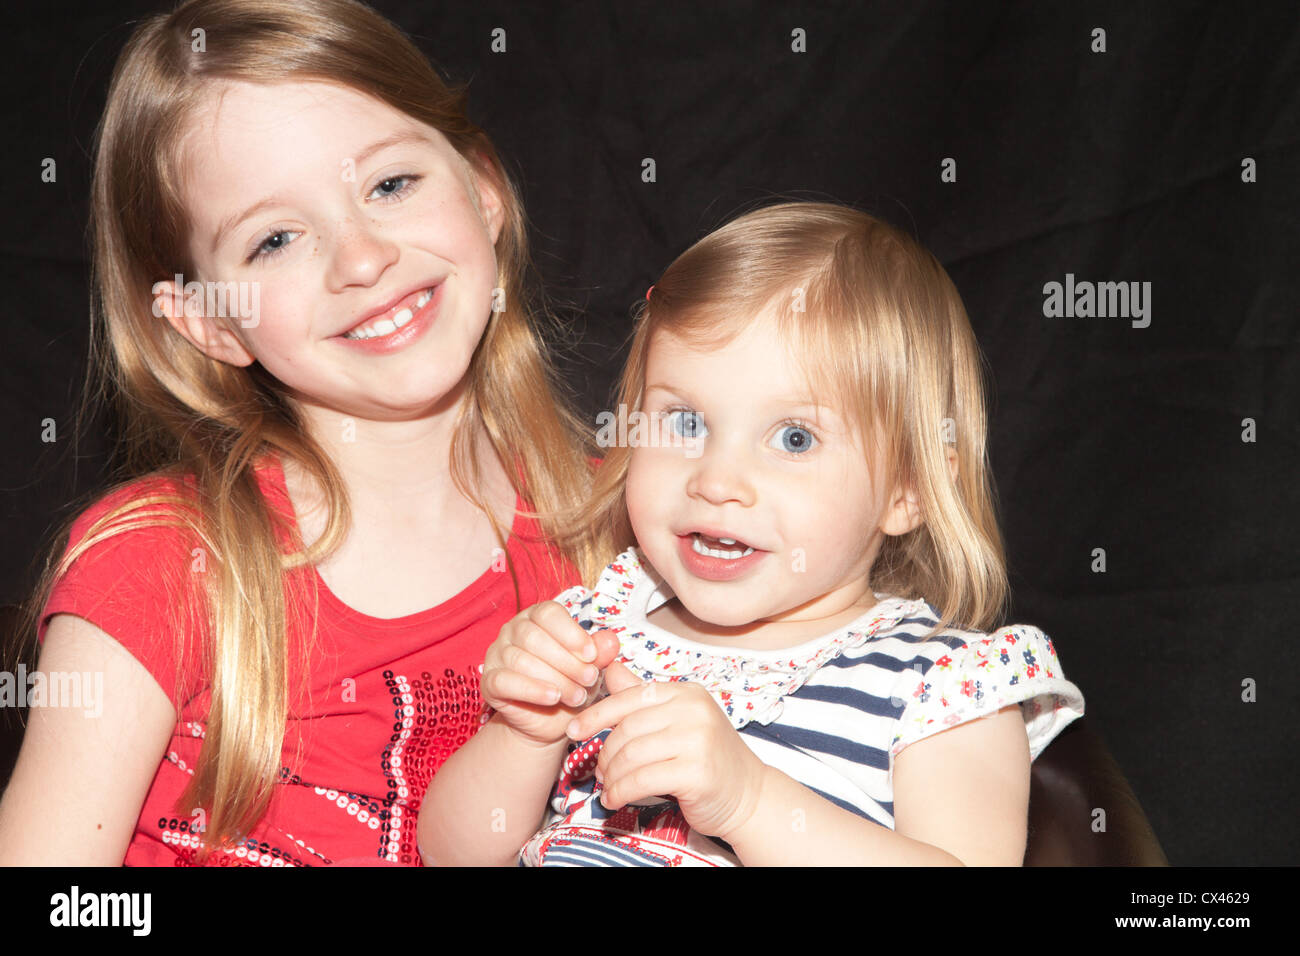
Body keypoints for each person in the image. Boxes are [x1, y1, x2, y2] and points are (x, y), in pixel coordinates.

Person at [0, 0, 608, 866]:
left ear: (482, 188)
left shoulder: (626, 531)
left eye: (391, 185)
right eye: (276, 239)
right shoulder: (157, 567)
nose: (361, 259)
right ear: (209, 321)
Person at [419, 201, 1086, 866]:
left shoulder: (943, 682)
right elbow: (450, 854)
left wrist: (751, 804)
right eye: (685, 423)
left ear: (907, 489)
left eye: (794, 437)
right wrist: (525, 736)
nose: (717, 479)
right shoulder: (597, 633)